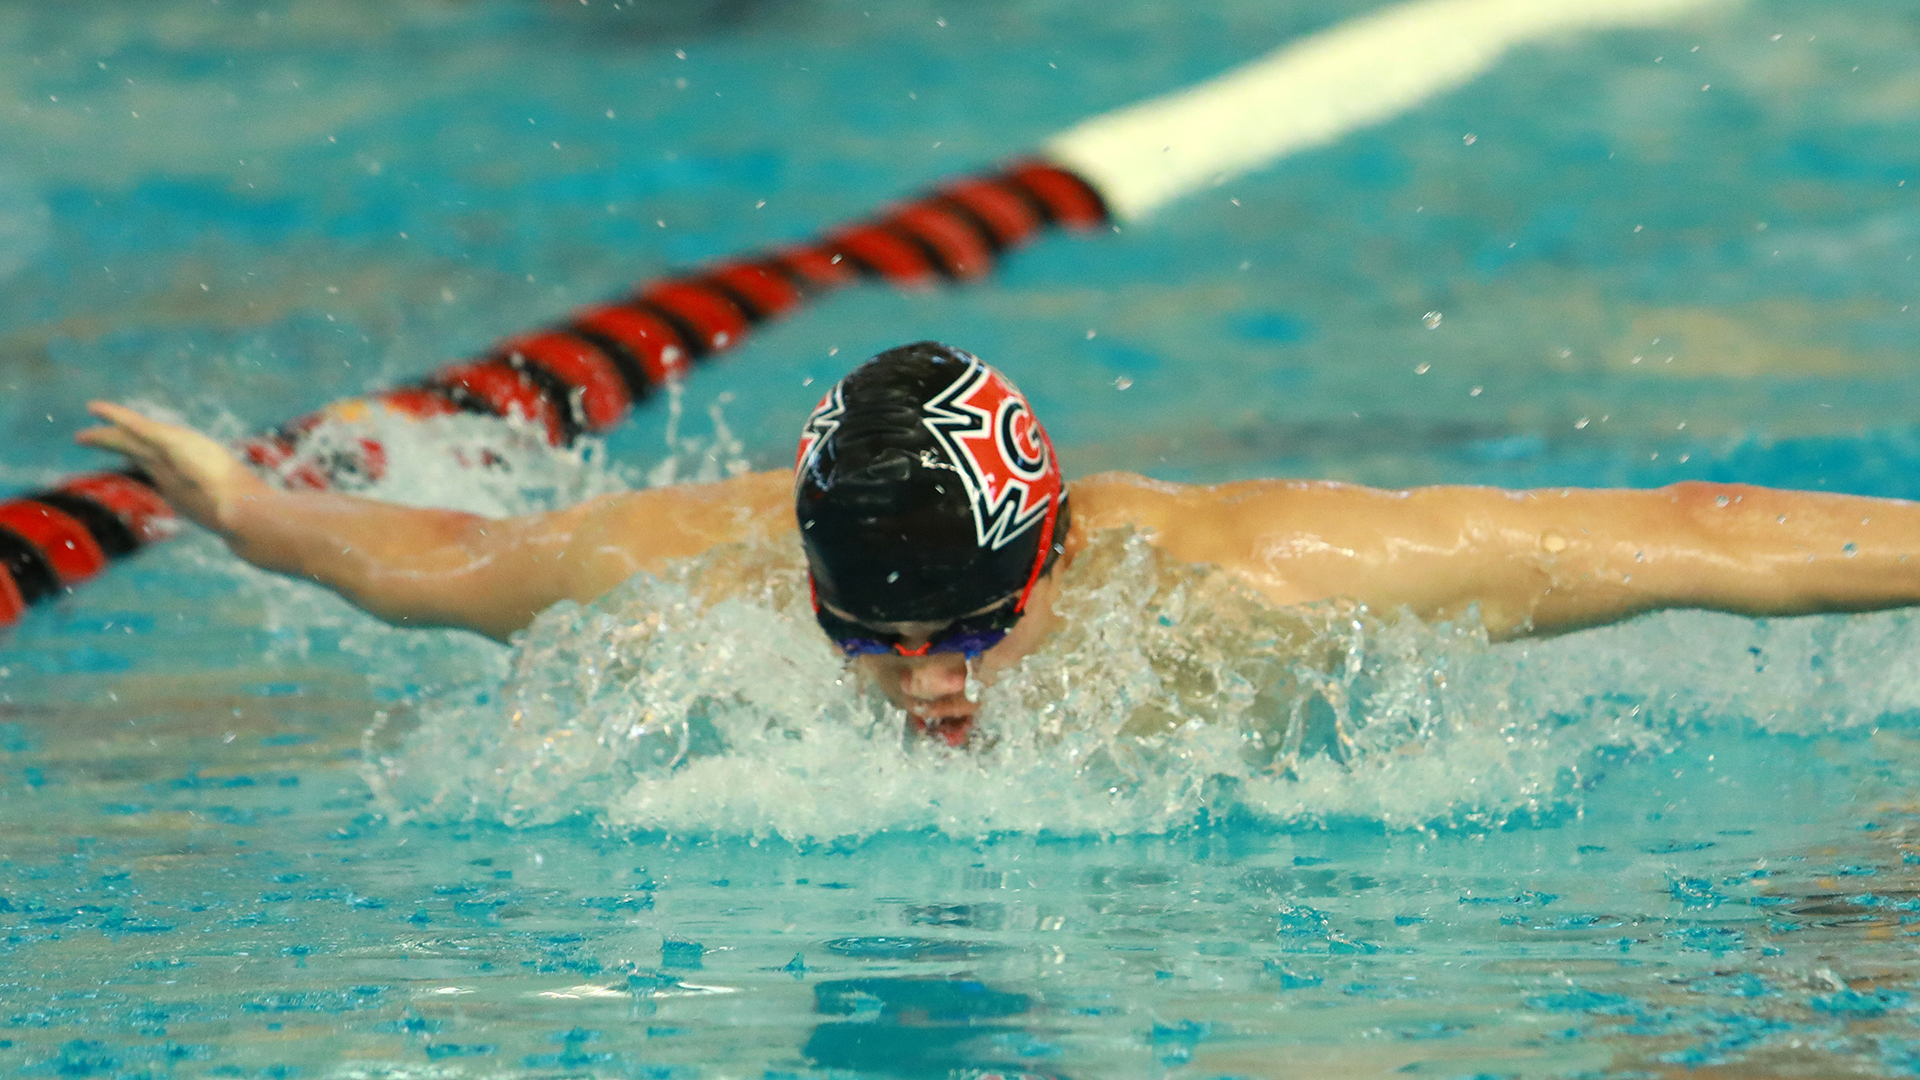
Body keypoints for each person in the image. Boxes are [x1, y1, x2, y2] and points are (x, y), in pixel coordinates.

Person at [78, 341, 1920, 747]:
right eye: (865, 640)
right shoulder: (712, 569)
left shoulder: (1250, 579)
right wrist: (244, 507)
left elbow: (1695, 538)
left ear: (1052, 562)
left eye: (967, 632)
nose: (923, 689)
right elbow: (436, 568)